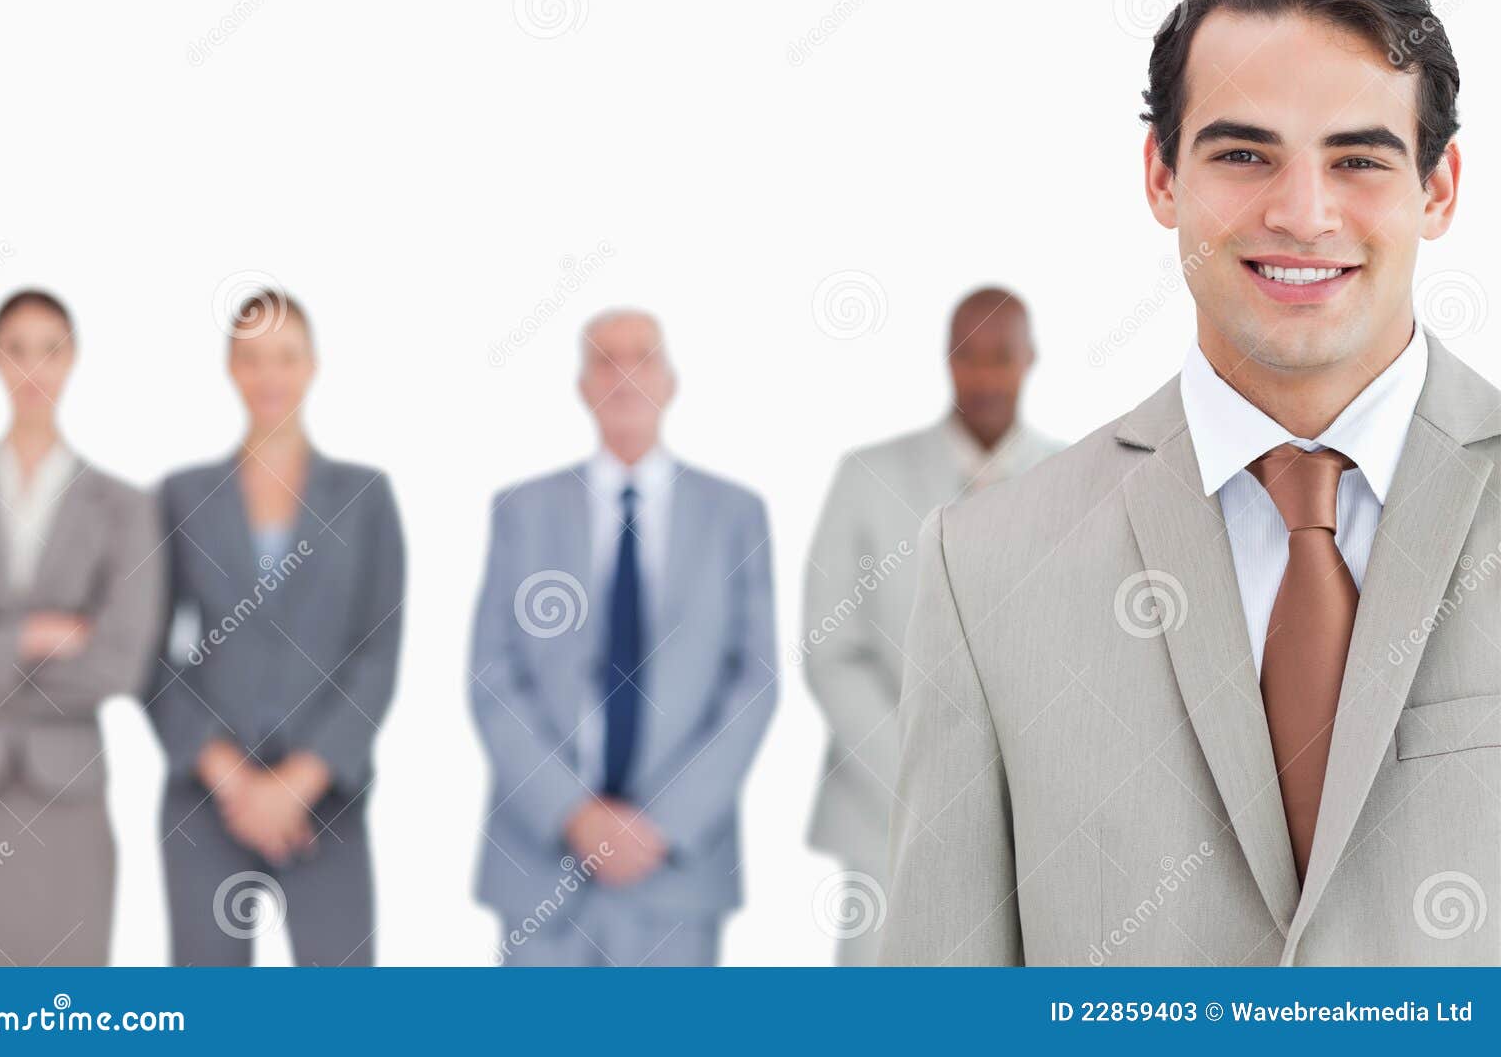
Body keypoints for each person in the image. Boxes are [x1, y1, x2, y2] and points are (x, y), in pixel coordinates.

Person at [883, 0, 1498, 965]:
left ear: (1437, 189)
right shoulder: (985, 569)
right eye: (1244, 155)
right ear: (1161, 177)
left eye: (1357, 158)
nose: (1302, 214)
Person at [471, 309, 777, 966]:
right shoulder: (522, 511)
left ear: (671, 381)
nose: (624, 375)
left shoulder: (734, 514)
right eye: (605, 360)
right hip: (542, 867)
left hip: (677, 871)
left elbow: (755, 680)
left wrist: (665, 823)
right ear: (582, 386)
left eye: (642, 356)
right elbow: (492, 676)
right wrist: (571, 812)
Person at [0, 289, 163, 965]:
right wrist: (29, 637)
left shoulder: (122, 506)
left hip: (66, 795)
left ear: (72, 359)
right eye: (17, 350)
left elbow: (119, 663)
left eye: (50, 350)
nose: (33, 369)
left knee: (69, 998)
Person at [803, 286, 1063, 964]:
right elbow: (833, 650)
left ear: (1029, 359)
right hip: (887, 813)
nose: (984, 376)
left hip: (1038, 822)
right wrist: (925, 781)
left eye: (1001, 357)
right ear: (947, 360)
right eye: (968, 356)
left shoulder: (1076, 479)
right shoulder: (868, 476)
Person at [148, 289, 404, 966]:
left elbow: (378, 653)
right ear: (231, 368)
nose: (270, 375)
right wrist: (230, 776)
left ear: (312, 365)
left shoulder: (364, 497)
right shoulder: (182, 495)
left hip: (327, 796)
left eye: (286, 356)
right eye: (252, 358)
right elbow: (150, 651)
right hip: (207, 796)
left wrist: (298, 781)